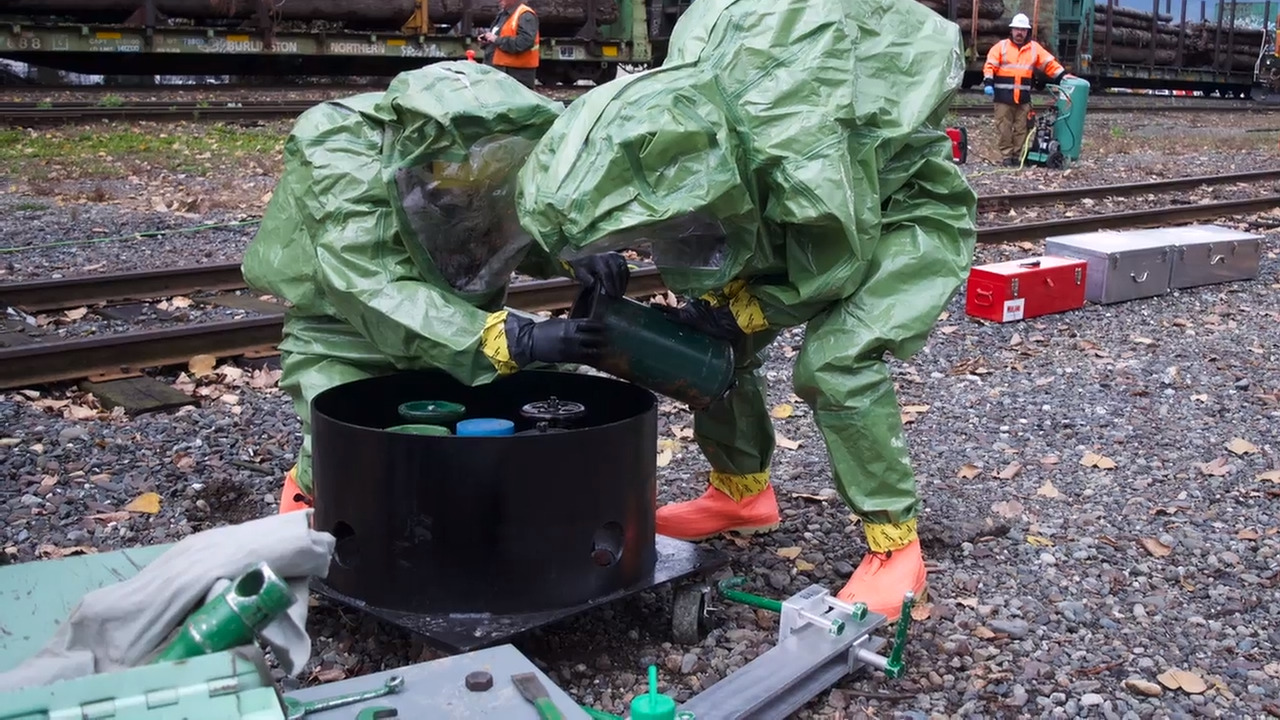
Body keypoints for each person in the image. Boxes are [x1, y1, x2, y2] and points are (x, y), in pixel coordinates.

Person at [516, 0, 978, 621]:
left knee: (837, 362)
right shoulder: (670, 117)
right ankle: (742, 494)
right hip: (776, 215)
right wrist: (580, 256)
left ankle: (897, 548)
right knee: (710, 347)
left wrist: (743, 312)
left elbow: (831, 270)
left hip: (892, 217)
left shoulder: (802, 159)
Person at [240, 62, 628, 514]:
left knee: (542, 403)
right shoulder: (343, 161)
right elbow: (375, 288)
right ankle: (309, 511)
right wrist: (512, 339)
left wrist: (570, 251)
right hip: (345, 337)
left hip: (459, 321)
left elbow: (501, 222)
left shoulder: (488, 152)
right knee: (344, 443)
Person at [983, 13, 1075, 166]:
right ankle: (1007, 157)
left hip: (1023, 98)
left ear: (1027, 32)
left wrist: (1063, 76)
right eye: (1017, 29)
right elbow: (990, 65)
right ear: (1011, 30)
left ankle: (1018, 157)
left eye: (1023, 30)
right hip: (1003, 97)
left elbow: (1049, 64)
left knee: (1022, 129)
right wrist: (988, 82)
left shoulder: (1034, 49)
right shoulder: (1001, 47)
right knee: (1004, 129)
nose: (1020, 33)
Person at [478, 0, 541, 89]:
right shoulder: (503, 14)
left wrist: (496, 39)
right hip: (501, 71)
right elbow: (499, 36)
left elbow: (524, 42)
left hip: (516, 75)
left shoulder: (525, 15)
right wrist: (487, 40)